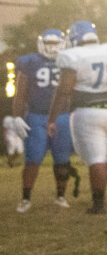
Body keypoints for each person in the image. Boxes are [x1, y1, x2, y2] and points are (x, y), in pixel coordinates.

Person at [46, 21, 107, 216]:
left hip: (88, 111)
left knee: (96, 159)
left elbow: (64, 91)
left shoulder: (72, 56)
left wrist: (52, 118)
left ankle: (99, 205)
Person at [13, 29, 75, 212]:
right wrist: (17, 116)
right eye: (49, 43)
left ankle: (61, 196)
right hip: (36, 115)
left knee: (62, 159)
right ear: (41, 43)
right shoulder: (30, 62)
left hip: (62, 115)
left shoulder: (69, 60)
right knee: (33, 158)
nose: (52, 48)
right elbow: (21, 92)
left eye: (55, 44)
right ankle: (26, 198)